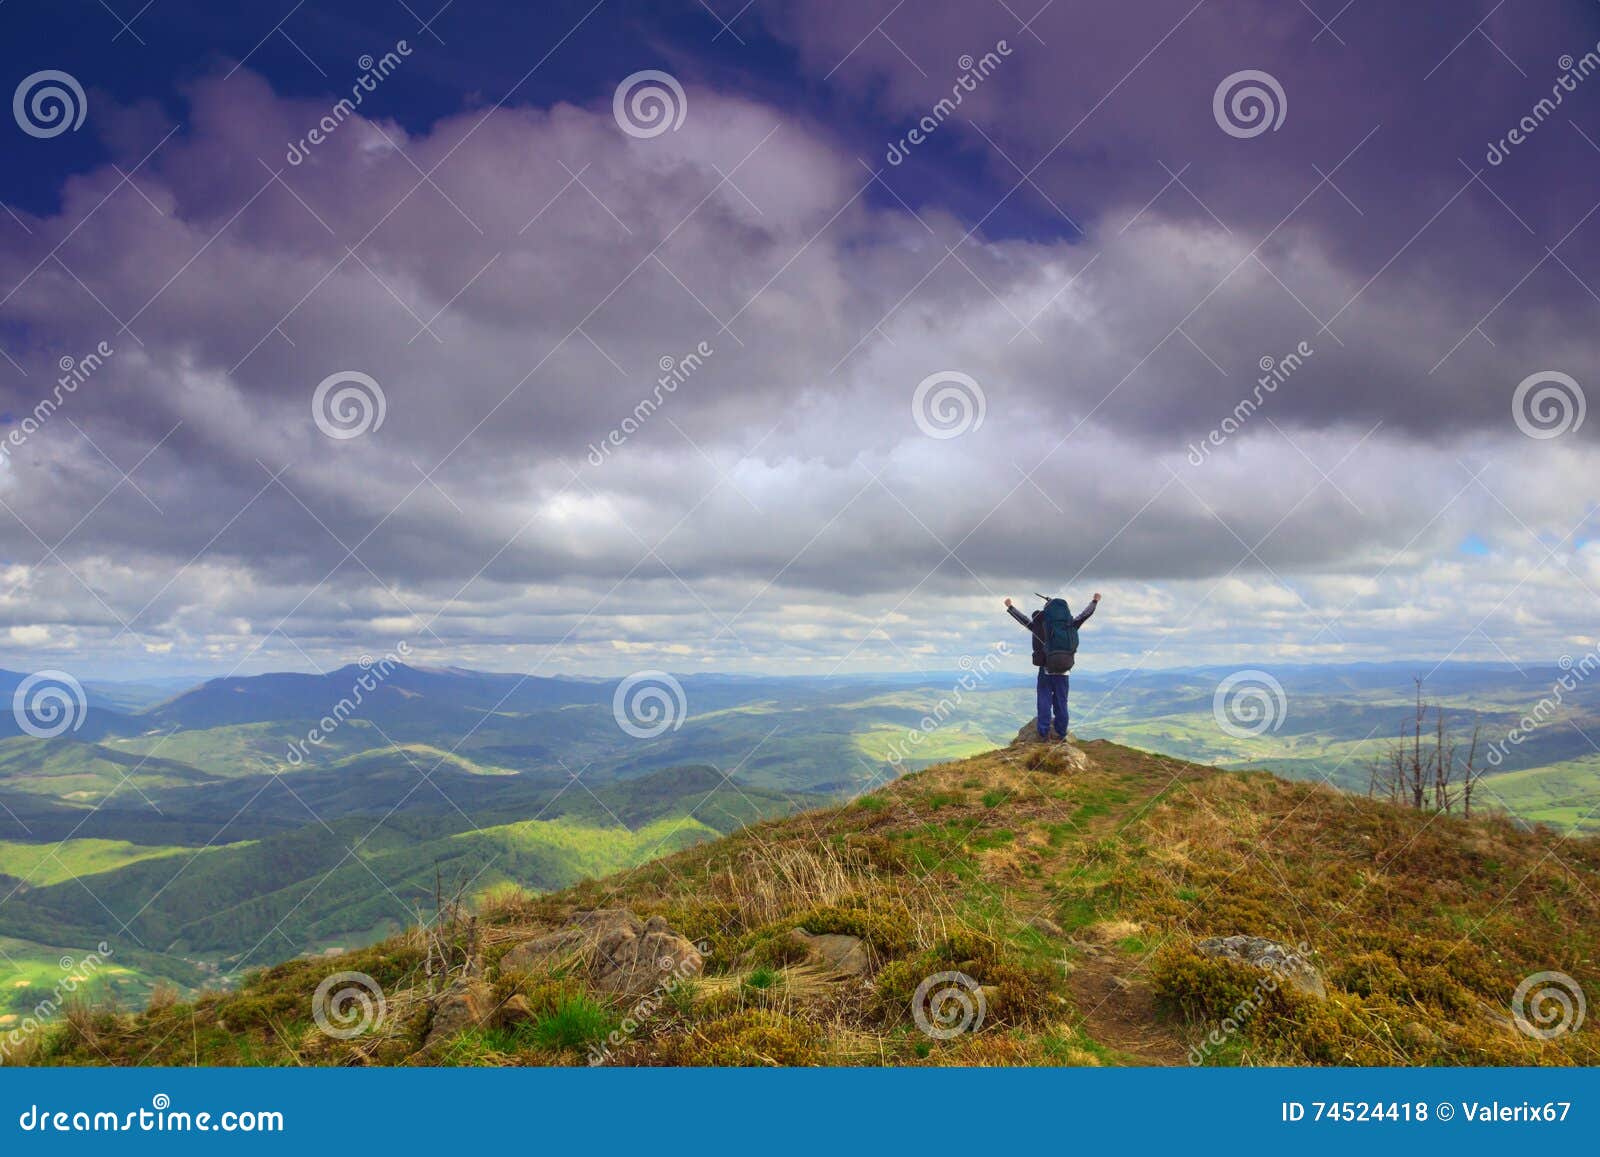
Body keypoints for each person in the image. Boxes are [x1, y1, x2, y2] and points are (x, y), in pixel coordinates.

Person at [1005, 592, 1100, 741]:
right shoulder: (1070, 624)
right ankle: (1061, 733)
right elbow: (1085, 614)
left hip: (1045, 670)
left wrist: (1011, 607)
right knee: (1061, 702)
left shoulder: (1041, 626)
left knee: (1044, 700)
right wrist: (1094, 601)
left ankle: (1043, 733)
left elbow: (1024, 621)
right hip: (1064, 671)